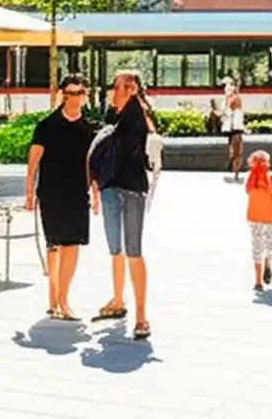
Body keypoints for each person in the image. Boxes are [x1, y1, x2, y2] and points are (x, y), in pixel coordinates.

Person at [92, 70, 156, 341]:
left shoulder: (138, 113)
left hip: (131, 188)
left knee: (133, 250)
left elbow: (150, 134)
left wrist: (137, 99)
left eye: (126, 86)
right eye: (118, 86)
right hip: (109, 187)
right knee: (115, 249)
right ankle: (118, 300)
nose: (119, 90)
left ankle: (142, 316)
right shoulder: (111, 114)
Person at [25, 75, 94, 322]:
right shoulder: (46, 126)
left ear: (85, 96)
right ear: (63, 94)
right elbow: (33, 162)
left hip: (77, 194)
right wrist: (29, 193)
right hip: (51, 194)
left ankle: (63, 299)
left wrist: (95, 193)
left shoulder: (89, 128)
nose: (75, 98)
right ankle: (54, 300)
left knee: (72, 245)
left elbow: (91, 165)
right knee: (54, 247)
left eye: (80, 93)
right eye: (71, 93)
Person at [244, 150, 272, 293]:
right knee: (269, 244)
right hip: (269, 217)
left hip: (254, 217)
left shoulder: (251, 178)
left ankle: (258, 281)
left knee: (257, 246)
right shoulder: (271, 177)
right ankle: (268, 263)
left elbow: (247, 191)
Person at [222, 85, 246, 182]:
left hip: (235, 130)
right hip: (233, 130)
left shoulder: (235, 100)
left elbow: (228, 112)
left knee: (236, 153)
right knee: (235, 152)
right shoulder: (232, 101)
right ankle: (235, 170)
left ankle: (235, 171)